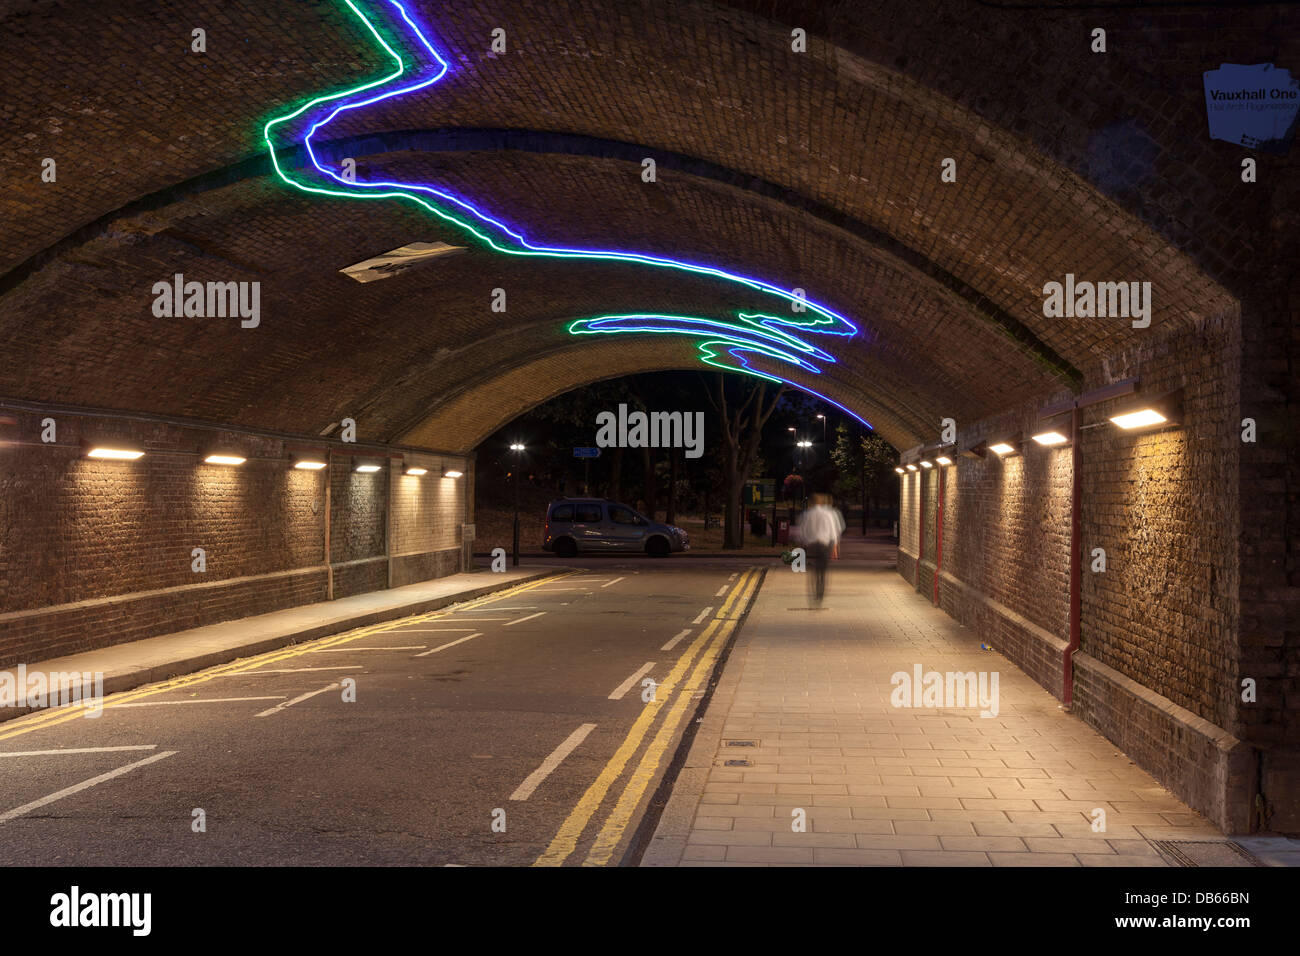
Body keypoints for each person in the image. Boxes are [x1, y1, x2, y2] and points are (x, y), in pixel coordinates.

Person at [795, 492, 845, 605]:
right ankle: (820, 594)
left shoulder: (808, 514)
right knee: (823, 570)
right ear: (821, 502)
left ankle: (813, 592)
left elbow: (802, 530)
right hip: (825, 545)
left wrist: (802, 543)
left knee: (814, 569)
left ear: (812, 502)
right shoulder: (828, 514)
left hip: (812, 545)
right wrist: (835, 547)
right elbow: (833, 531)